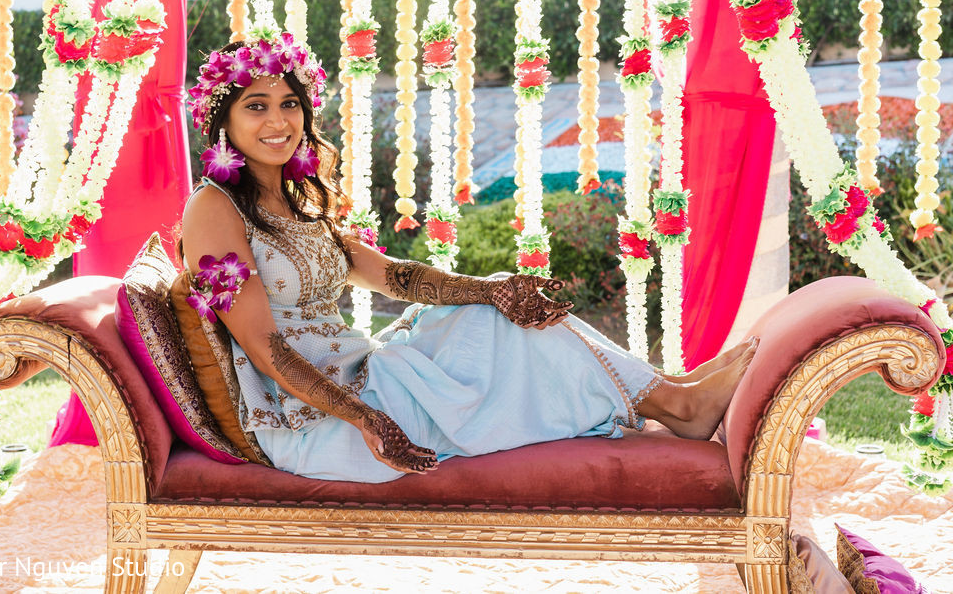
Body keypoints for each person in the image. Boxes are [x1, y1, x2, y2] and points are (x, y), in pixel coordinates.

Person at [180, 33, 757, 483]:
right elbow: (266, 347)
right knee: (498, 328)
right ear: (223, 119)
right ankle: (679, 405)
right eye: (256, 106)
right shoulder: (213, 208)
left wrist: (491, 290)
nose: (278, 122)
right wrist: (365, 418)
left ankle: (671, 392)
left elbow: (393, 275)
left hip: (368, 378)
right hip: (318, 422)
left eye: (289, 103)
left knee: (499, 302)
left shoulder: (292, 194)